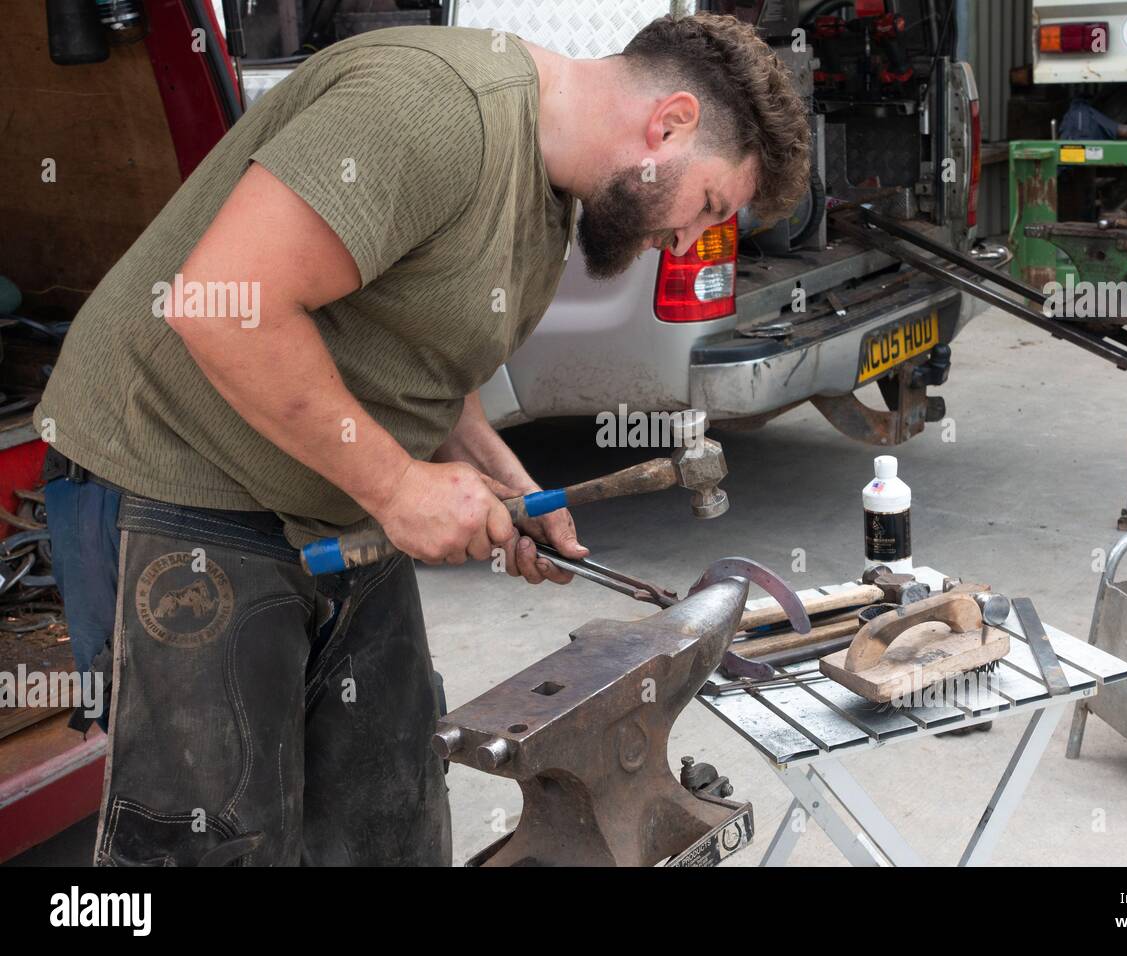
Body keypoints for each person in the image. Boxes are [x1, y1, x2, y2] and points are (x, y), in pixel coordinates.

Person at [36, 12, 810, 866]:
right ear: (669, 125)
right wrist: (398, 488)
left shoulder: (556, 192)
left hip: (330, 501)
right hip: (180, 480)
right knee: (211, 841)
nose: (690, 239)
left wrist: (501, 482)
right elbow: (224, 304)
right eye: (707, 205)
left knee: (389, 818)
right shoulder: (433, 108)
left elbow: (412, 352)